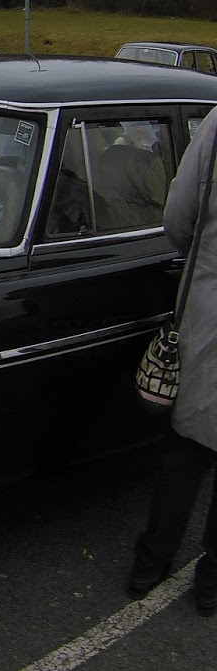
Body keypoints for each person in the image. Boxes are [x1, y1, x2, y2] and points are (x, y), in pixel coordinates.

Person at [127, 111, 217, 617]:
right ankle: (212, 582)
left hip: (210, 305)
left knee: (186, 449)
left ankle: (151, 563)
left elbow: (178, 219)